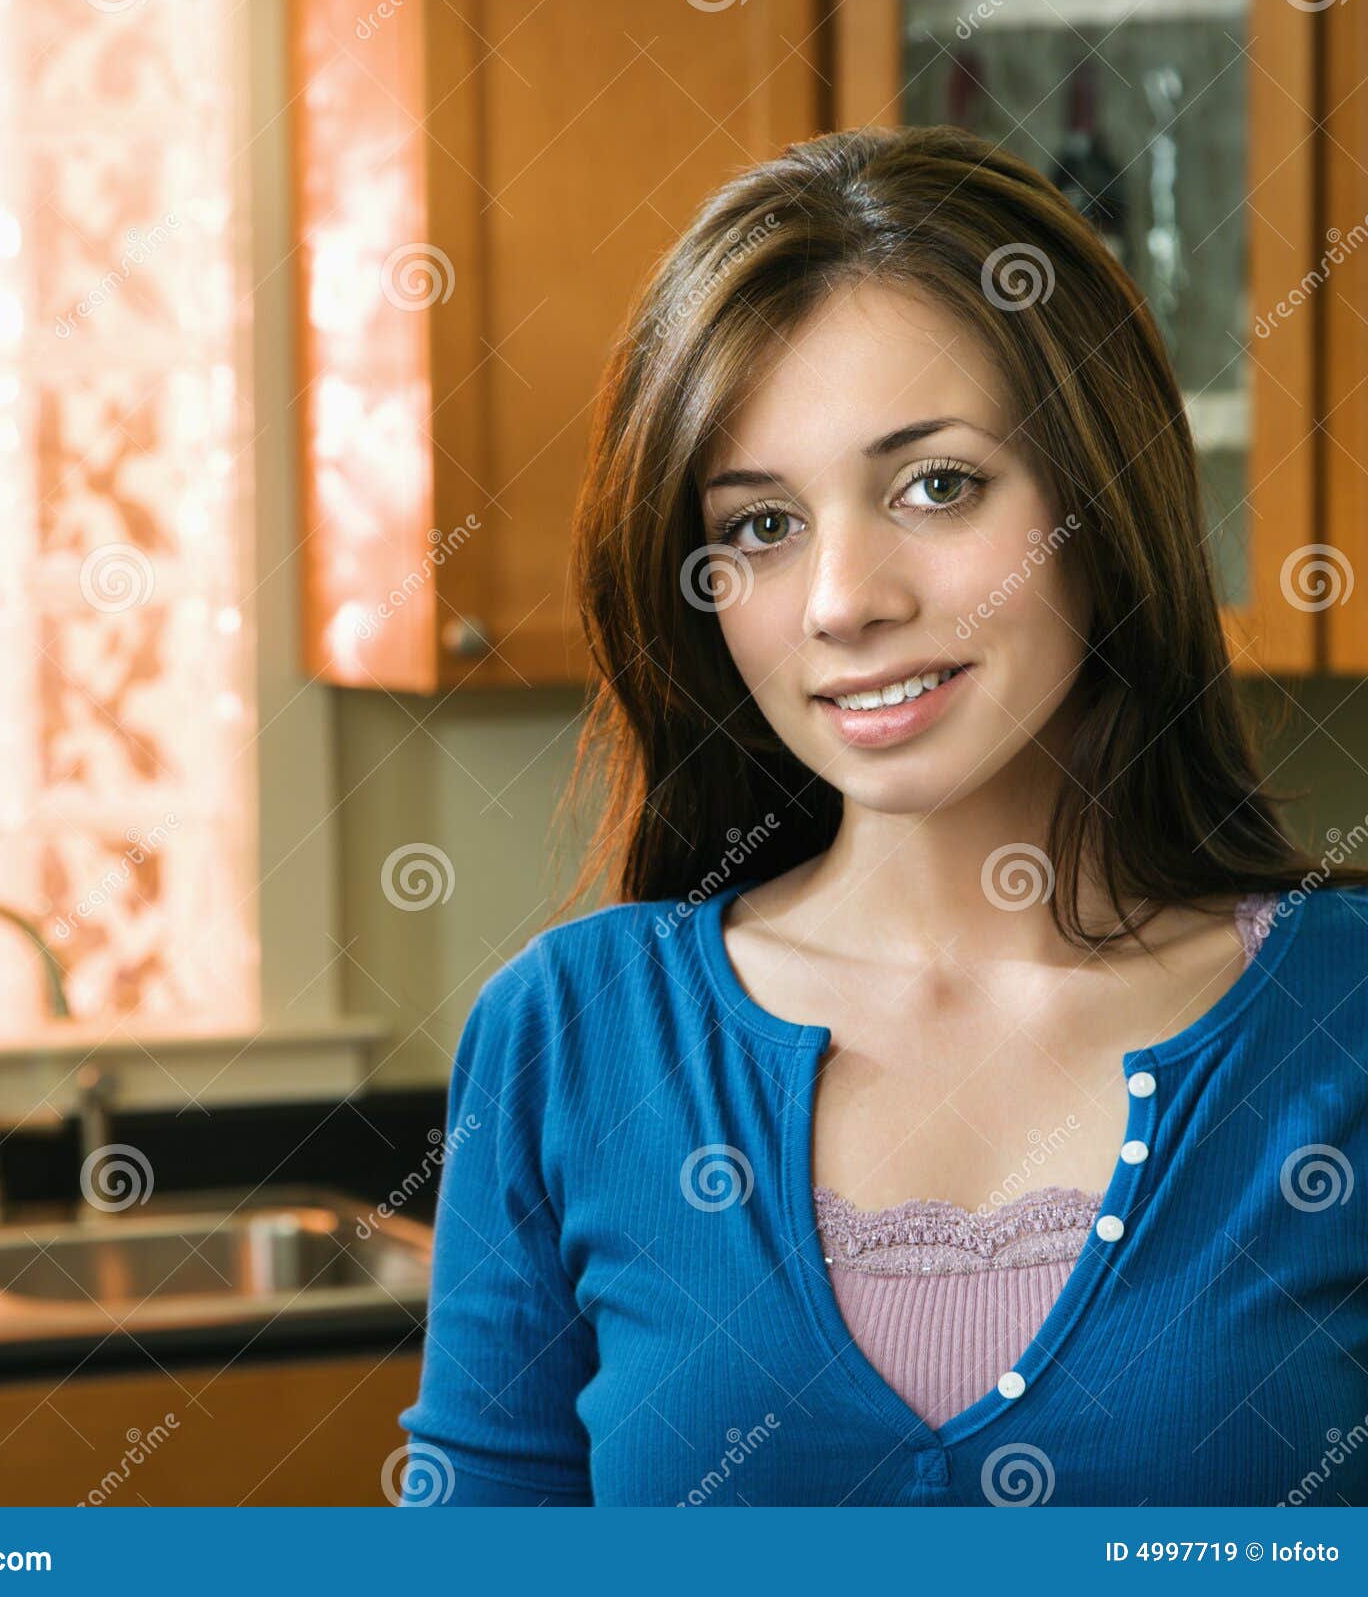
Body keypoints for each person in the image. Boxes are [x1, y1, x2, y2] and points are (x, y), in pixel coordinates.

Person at [394, 125, 1368, 1507]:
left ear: (1102, 501)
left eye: (937, 486)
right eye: (760, 525)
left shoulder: (1344, 1013)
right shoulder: (570, 1036)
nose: (844, 599)